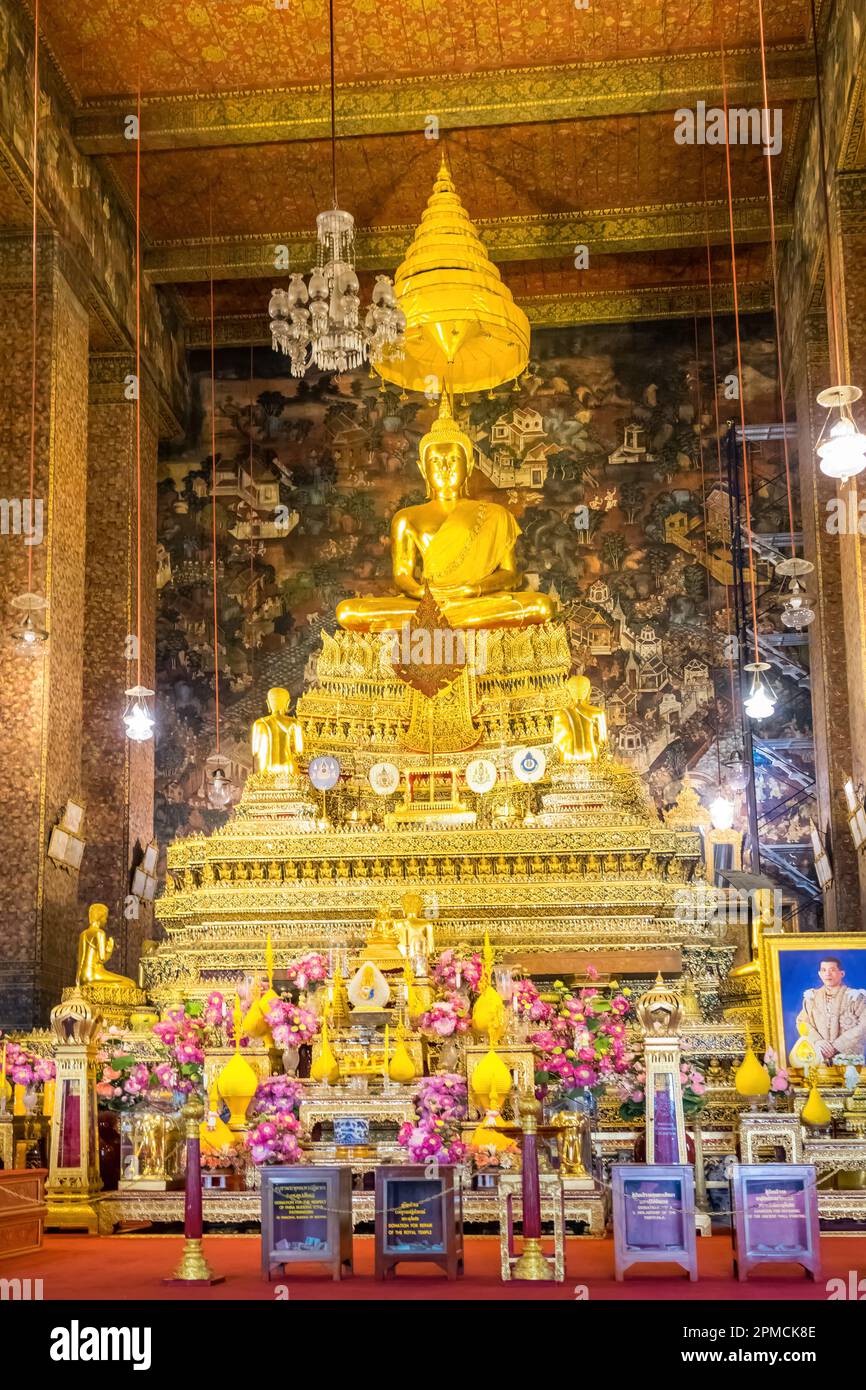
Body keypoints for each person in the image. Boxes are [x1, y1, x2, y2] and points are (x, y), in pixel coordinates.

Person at [796, 956, 866, 1062]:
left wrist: (838, 1045)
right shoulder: (811, 997)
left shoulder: (855, 997)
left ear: (842, 974)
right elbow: (802, 1023)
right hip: (820, 1056)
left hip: (847, 1058)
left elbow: (863, 1025)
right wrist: (817, 1041)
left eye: (832, 970)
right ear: (819, 974)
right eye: (824, 970)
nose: (827, 974)